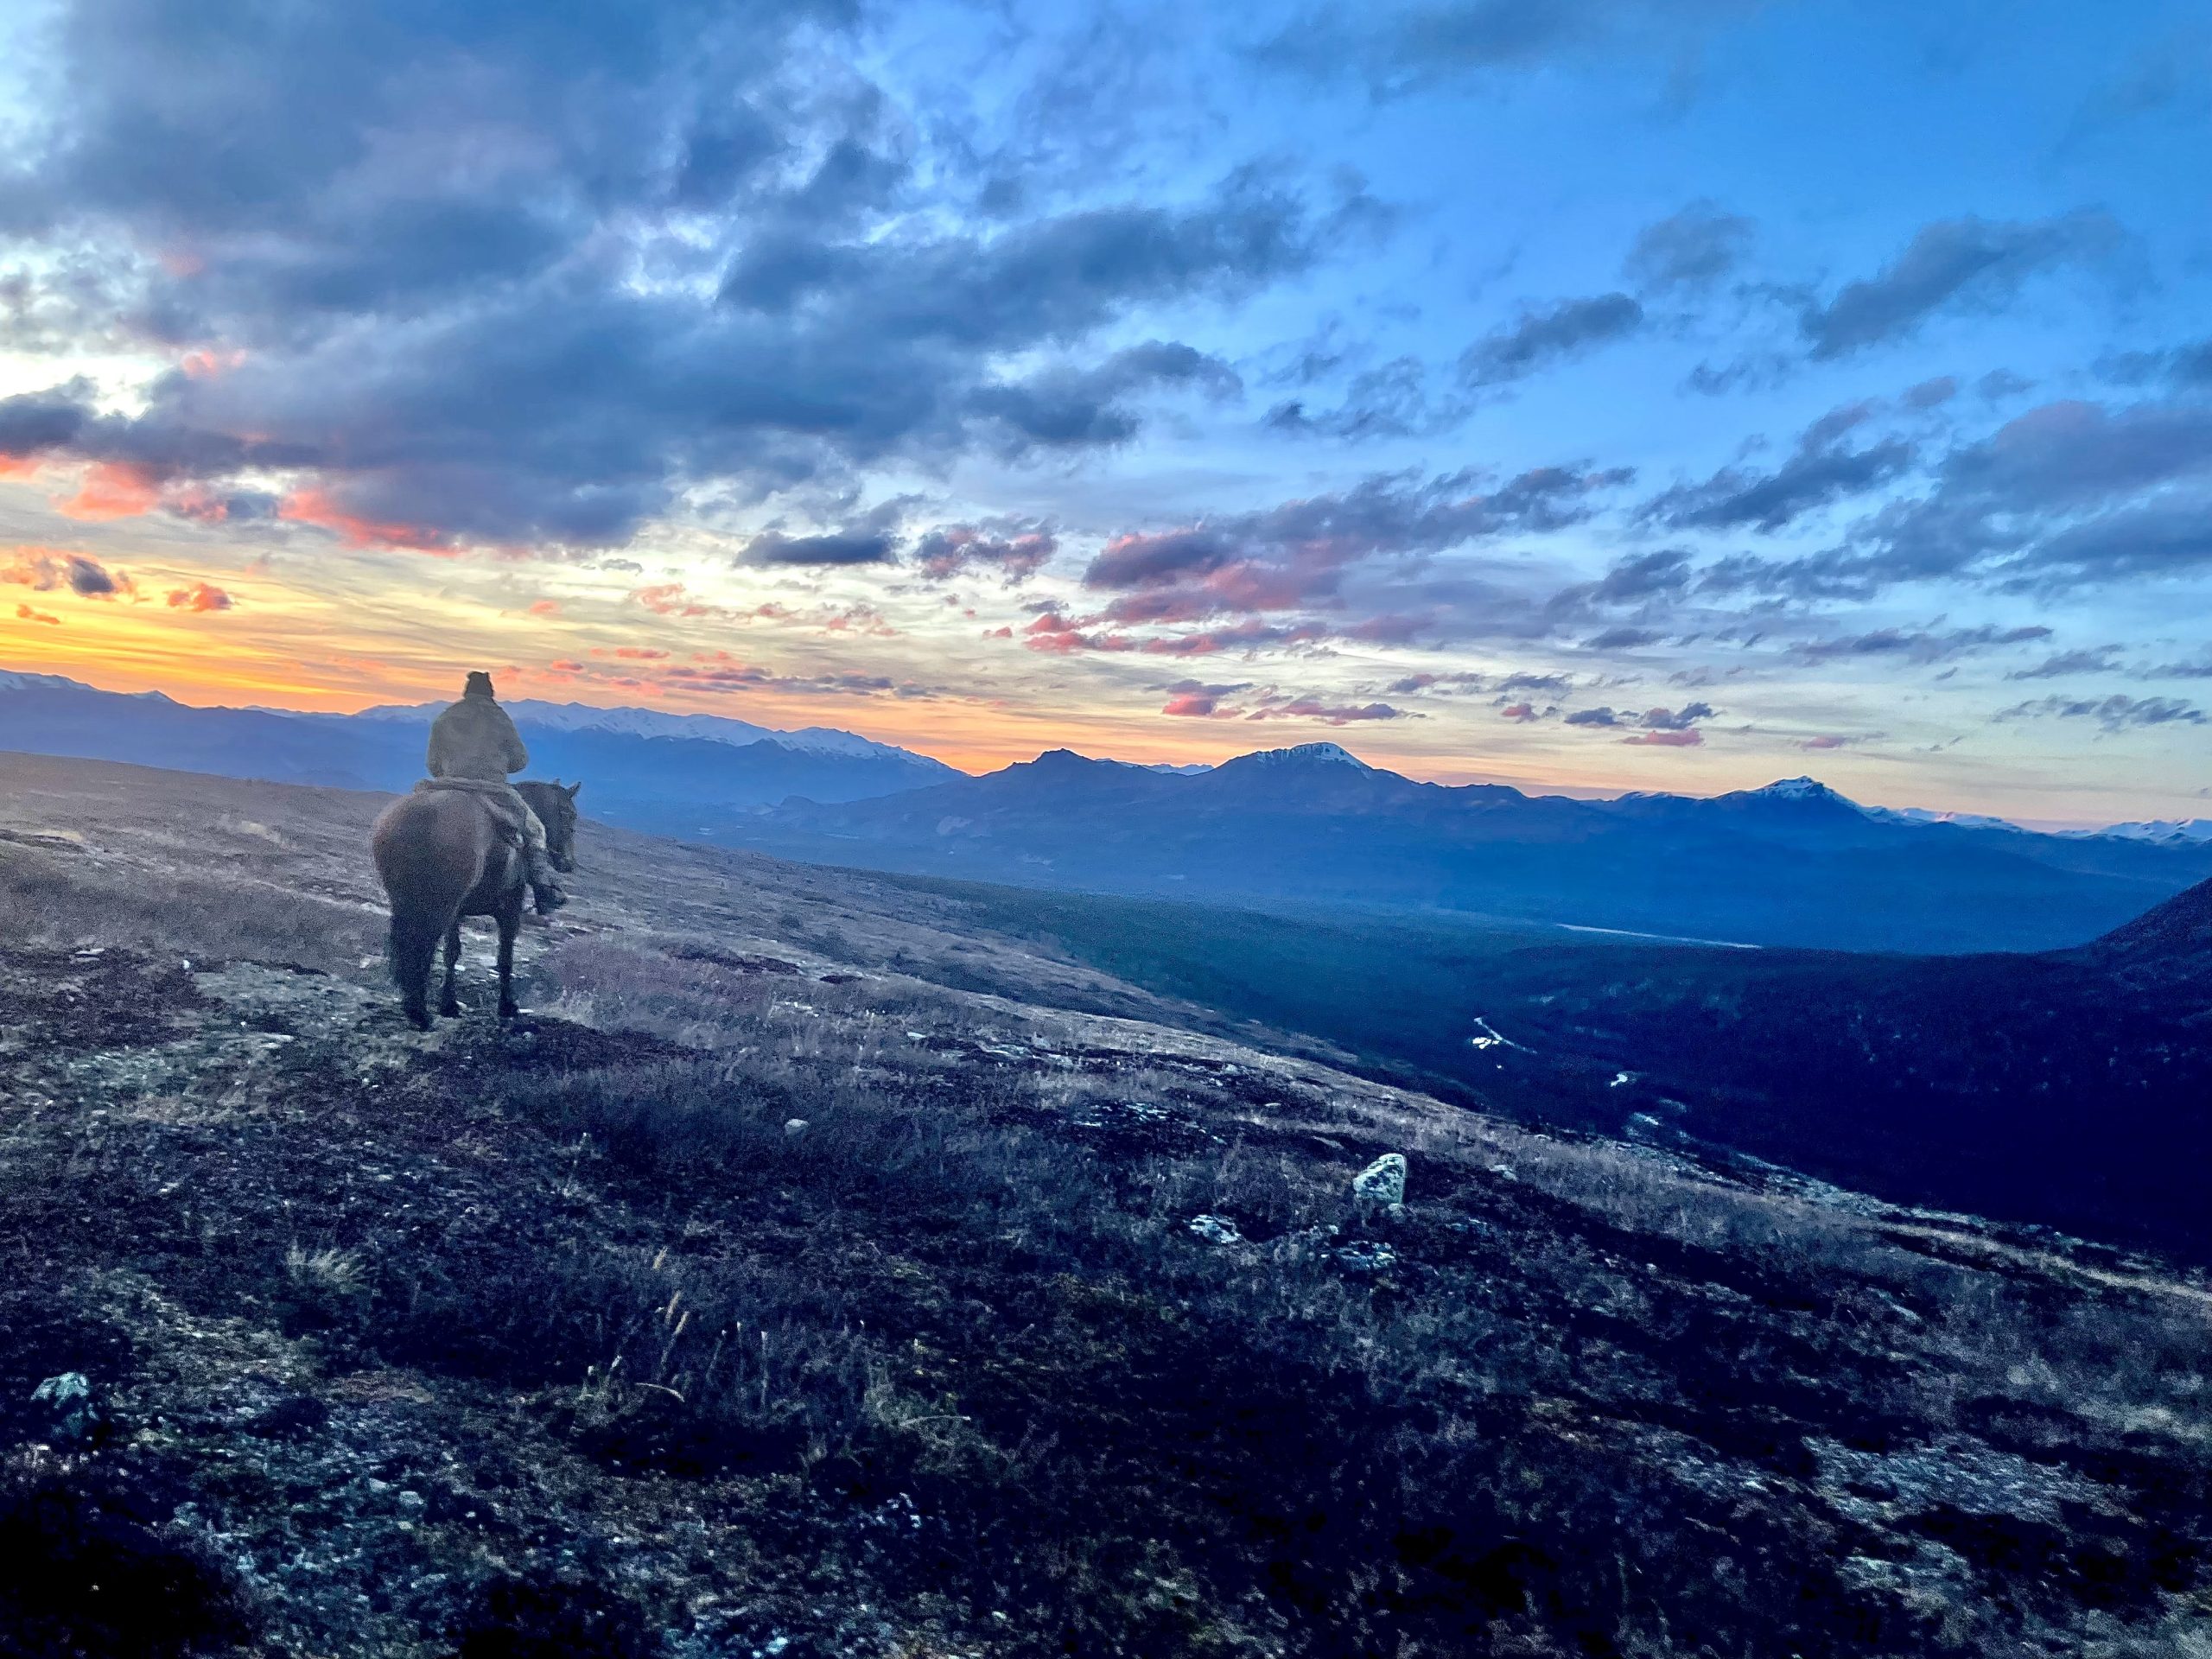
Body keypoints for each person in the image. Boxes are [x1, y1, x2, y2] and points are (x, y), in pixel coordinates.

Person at [425, 671, 567, 914]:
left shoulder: (446, 717)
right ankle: (544, 889)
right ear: (490, 692)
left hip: (446, 784)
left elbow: (432, 764)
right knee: (535, 830)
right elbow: (519, 760)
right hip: (490, 787)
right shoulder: (498, 717)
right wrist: (497, 765)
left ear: (466, 691)